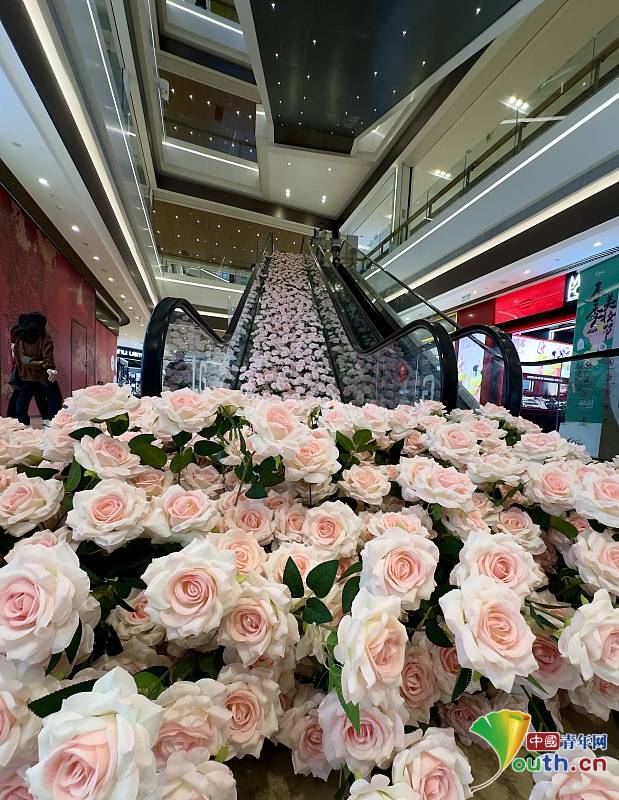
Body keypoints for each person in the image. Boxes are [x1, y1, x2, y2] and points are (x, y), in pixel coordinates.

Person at [14, 313, 57, 426]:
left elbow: (19, 360)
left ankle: (24, 425)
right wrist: (48, 368)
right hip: (42, 376)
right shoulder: (44, 338)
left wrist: (25, 370)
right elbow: (49, 360)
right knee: (55, 397)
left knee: (24, 402)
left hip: (26, 377)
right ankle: (51, 422)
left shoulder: (20, 339)